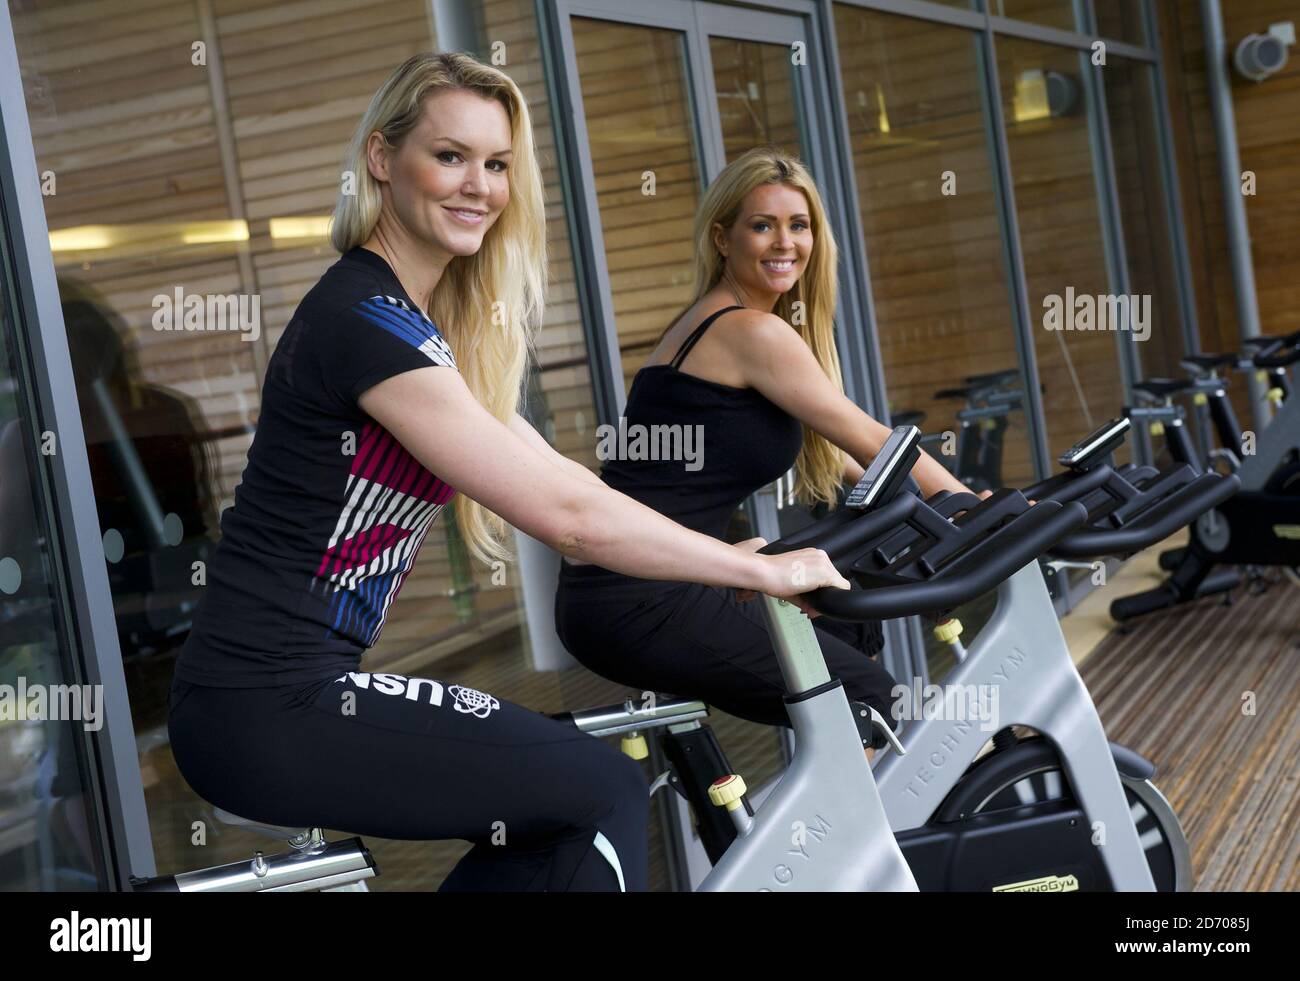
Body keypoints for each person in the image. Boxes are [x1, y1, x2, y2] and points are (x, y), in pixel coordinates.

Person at [167, 55, 849, 893]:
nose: (479, 186)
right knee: (597, 792)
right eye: (449, 156)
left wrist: (717, 561)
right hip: (262, 703)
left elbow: (580, 488)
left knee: (568, 808)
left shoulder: (419, 329)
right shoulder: (362, 322)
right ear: (381, 158)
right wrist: (757, 568)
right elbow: (568, 521)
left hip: (295, 691)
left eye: (496, 165)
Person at [554, 147, 984, 745]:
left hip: (640, 585)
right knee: (872, 702)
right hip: (638, 598)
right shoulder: (751, 331)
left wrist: (963, 506)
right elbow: (871, 440)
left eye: (798, 225)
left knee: (848, 628)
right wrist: (978, 513)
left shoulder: (711, 319)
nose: (785, 243)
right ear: (723, 239)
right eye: (763, 225)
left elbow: (843, 455)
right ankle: (835, 836)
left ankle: (845, 820)